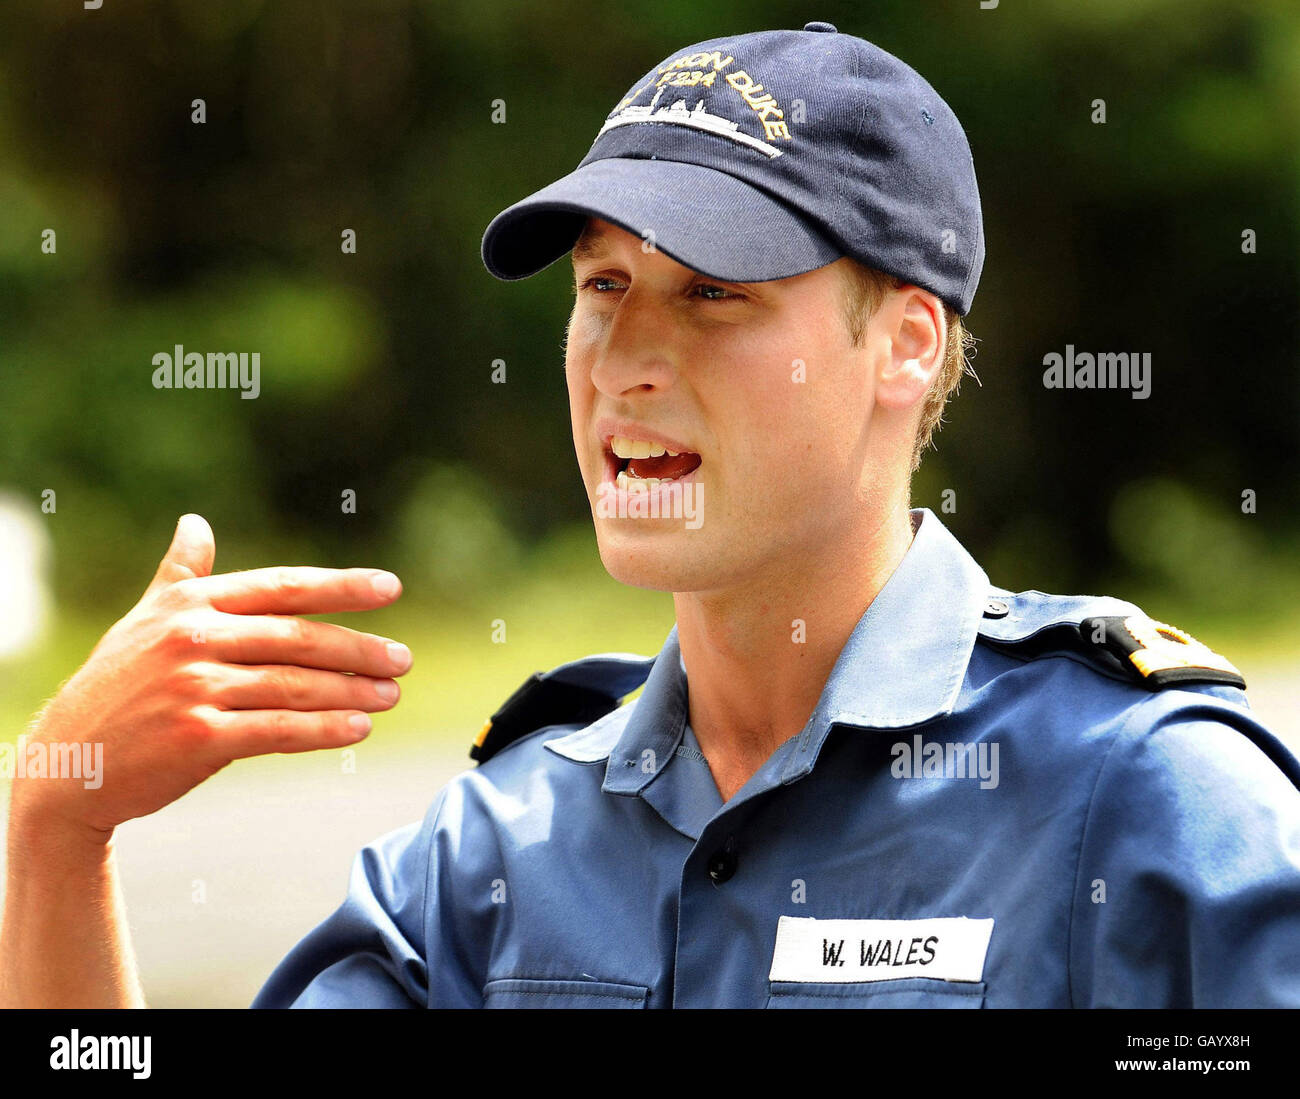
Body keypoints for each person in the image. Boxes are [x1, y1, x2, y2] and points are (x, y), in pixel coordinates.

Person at [4, 23, 1298, 1010]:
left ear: (905, 346)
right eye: (603, 284)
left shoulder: (1146, 799)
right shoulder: (495, 851)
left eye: (714, 295)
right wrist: (58, 837)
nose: (623, 355)